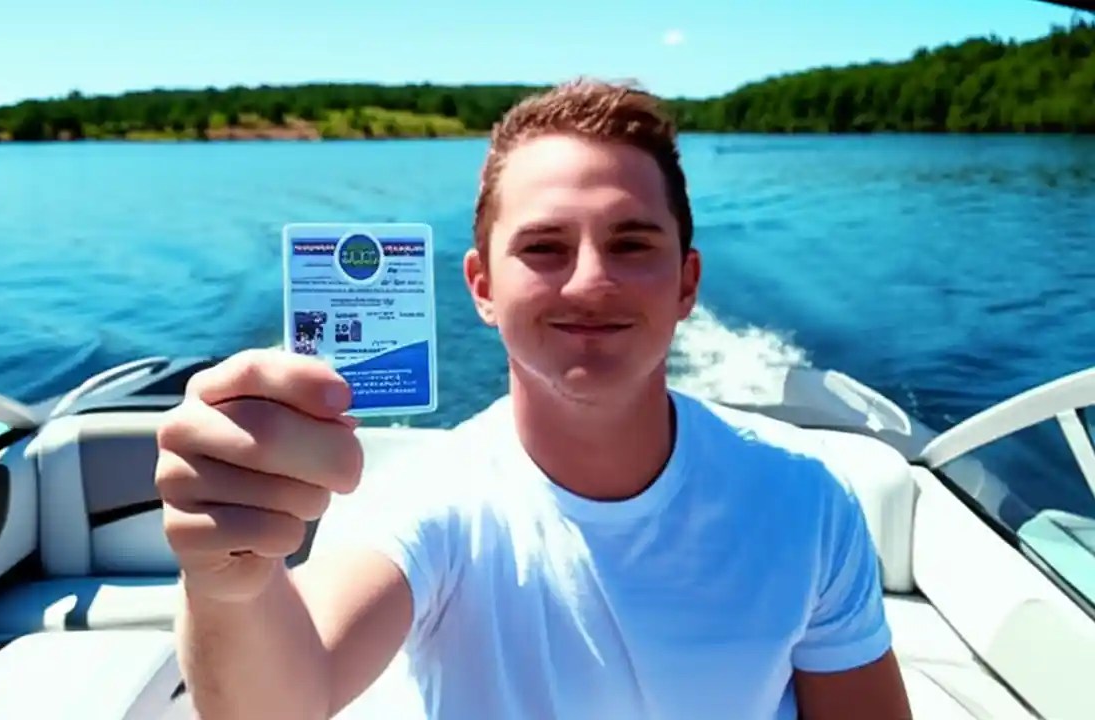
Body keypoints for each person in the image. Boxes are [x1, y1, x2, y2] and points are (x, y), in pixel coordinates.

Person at [154, 78, 912, 719]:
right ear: (482, 287)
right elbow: (282, 698)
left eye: (632, 244)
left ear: (687, 283)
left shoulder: (805, 499)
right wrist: (229, 580)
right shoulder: (427, 502)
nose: (589, 282)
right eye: (544, 247)